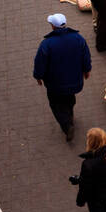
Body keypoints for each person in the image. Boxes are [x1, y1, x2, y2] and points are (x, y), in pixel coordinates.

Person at [32, 12, 92, 142]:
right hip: (74, 81)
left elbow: (40, 62)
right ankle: (69, 114)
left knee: (55, 104)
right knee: (69, 98)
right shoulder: (78, 38)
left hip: (55, 84)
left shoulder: (47, 44)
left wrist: (38, 76)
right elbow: (86, 56)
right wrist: (87, 70)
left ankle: (66, 124)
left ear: (53, 27)